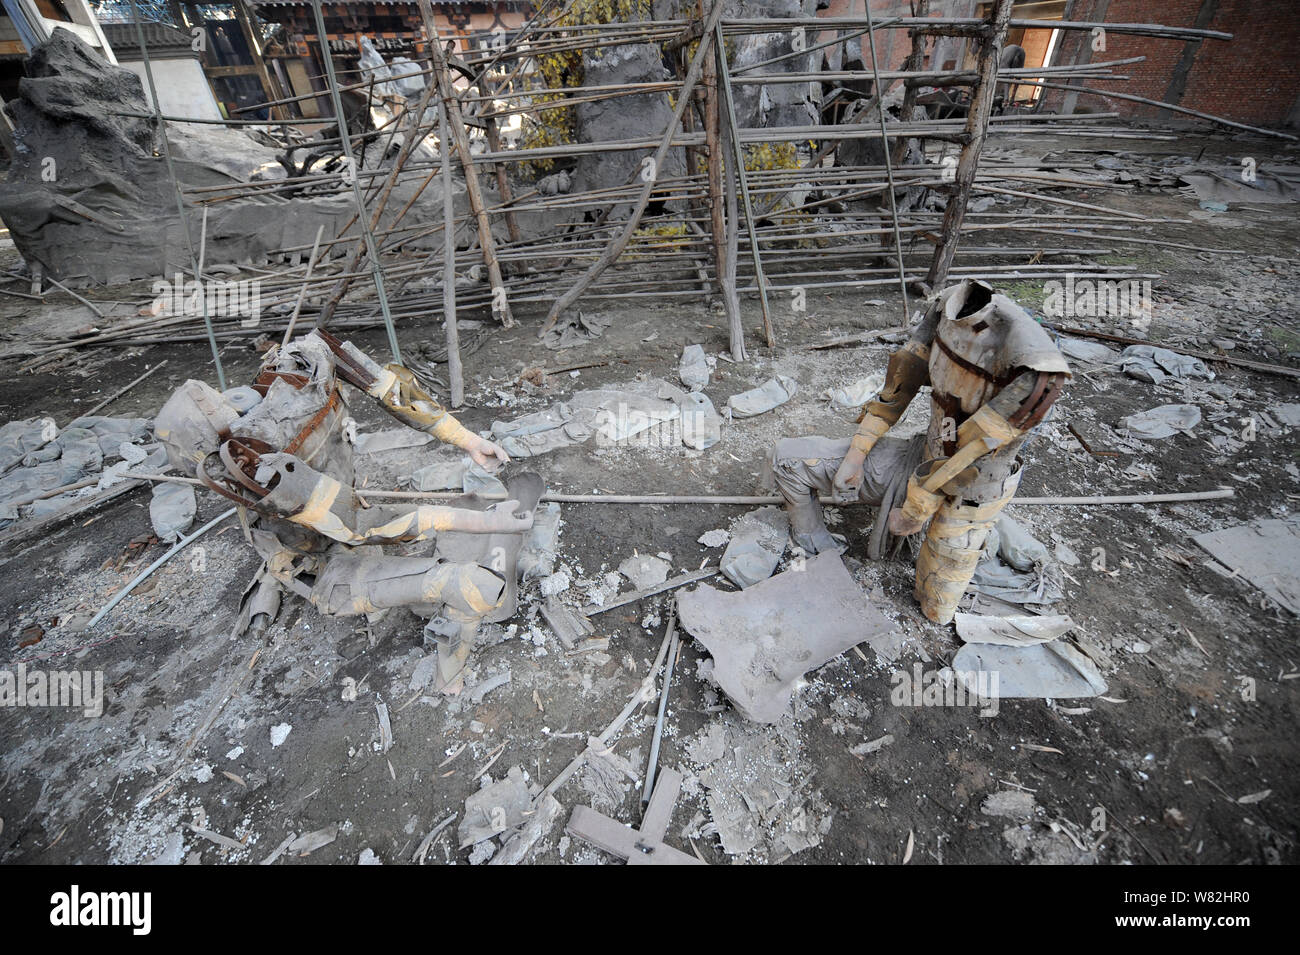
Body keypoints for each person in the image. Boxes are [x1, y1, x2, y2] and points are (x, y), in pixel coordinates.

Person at [154, 328, 533, 690]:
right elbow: (351, 526)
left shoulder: (308, 361)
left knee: (423, 527)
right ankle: (448, 683)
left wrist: (466, 440)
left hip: (345, 515)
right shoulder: (251, 460)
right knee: (473, 585)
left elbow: (392, 392)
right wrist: (483, 522)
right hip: (318, 560)